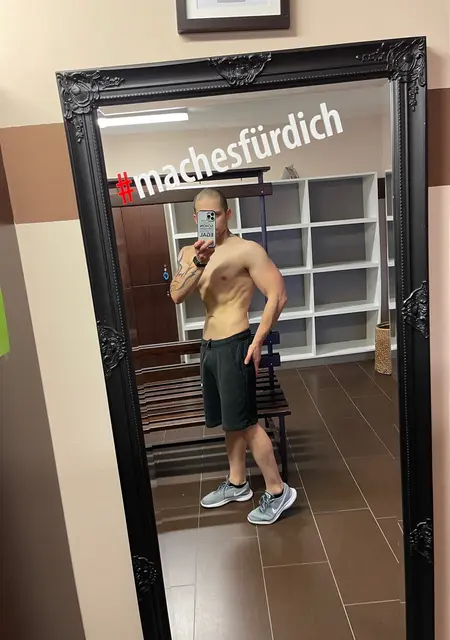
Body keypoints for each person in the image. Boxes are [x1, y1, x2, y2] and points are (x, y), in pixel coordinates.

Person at [169, 187, 297, 525]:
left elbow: (278, 294)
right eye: (204, 216)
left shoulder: (246, 250)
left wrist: (257, 340)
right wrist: (199, 261)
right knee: (231, 421)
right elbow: (176, 295)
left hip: (235, 343)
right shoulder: (189, 253)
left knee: (247, 423)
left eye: (216, 215)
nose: (210, 221)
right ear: (195, 218)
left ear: (228, 214)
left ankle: (277, 490)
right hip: (209, 347)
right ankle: (238, 482)